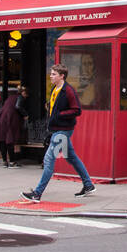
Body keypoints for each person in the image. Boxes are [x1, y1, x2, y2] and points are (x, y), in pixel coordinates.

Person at [22, 64, 95, 202]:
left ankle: (37, 193)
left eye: (54, 74)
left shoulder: (68, 91)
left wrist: (59, 114)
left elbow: (77, 110)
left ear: (62, 76)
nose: (51, 76)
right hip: (58, 128)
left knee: (49, 159)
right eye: (51, 73)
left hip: (63, 130)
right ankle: (88, 185)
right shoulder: (55, 89)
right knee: (71, 158)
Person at [0, 85, 28, 168]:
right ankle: (12, 161)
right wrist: (25, 115)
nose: (26, 96)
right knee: (10, 140)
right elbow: (18, 106)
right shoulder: (20, 97)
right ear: (23, 93)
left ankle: (5, 161)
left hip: (2, 118)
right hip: (10, 119)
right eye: (26, 94)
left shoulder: (10, 97)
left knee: (2, 139)